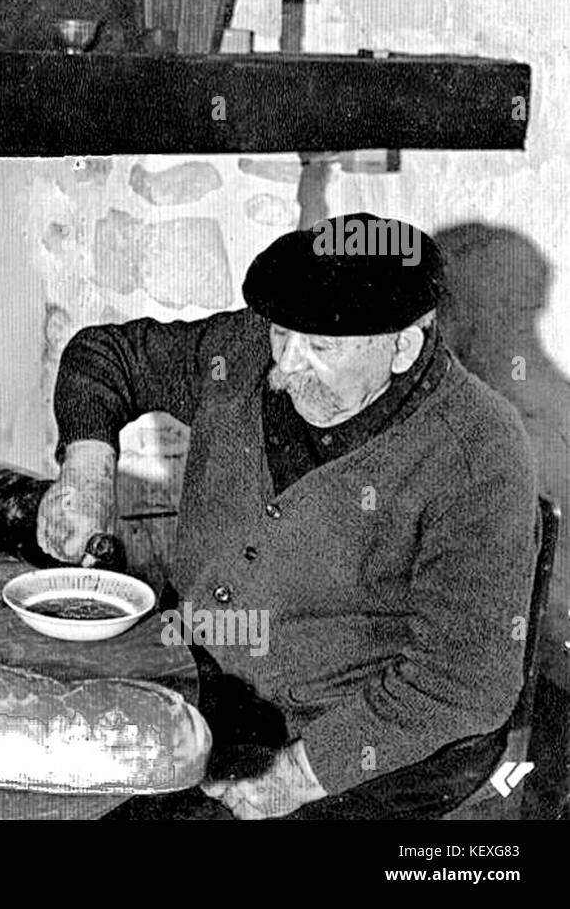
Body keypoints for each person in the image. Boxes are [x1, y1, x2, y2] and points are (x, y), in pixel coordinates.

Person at [38, 213, 538, 819]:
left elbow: (462, 685)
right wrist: (88, 473)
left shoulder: (477, 450)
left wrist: (296, 777)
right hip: (208, 684)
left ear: (404, 346)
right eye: (282, 335)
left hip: (361, 742)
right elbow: (105, 355)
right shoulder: (246, 351)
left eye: (320, 348)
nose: (286, 366)